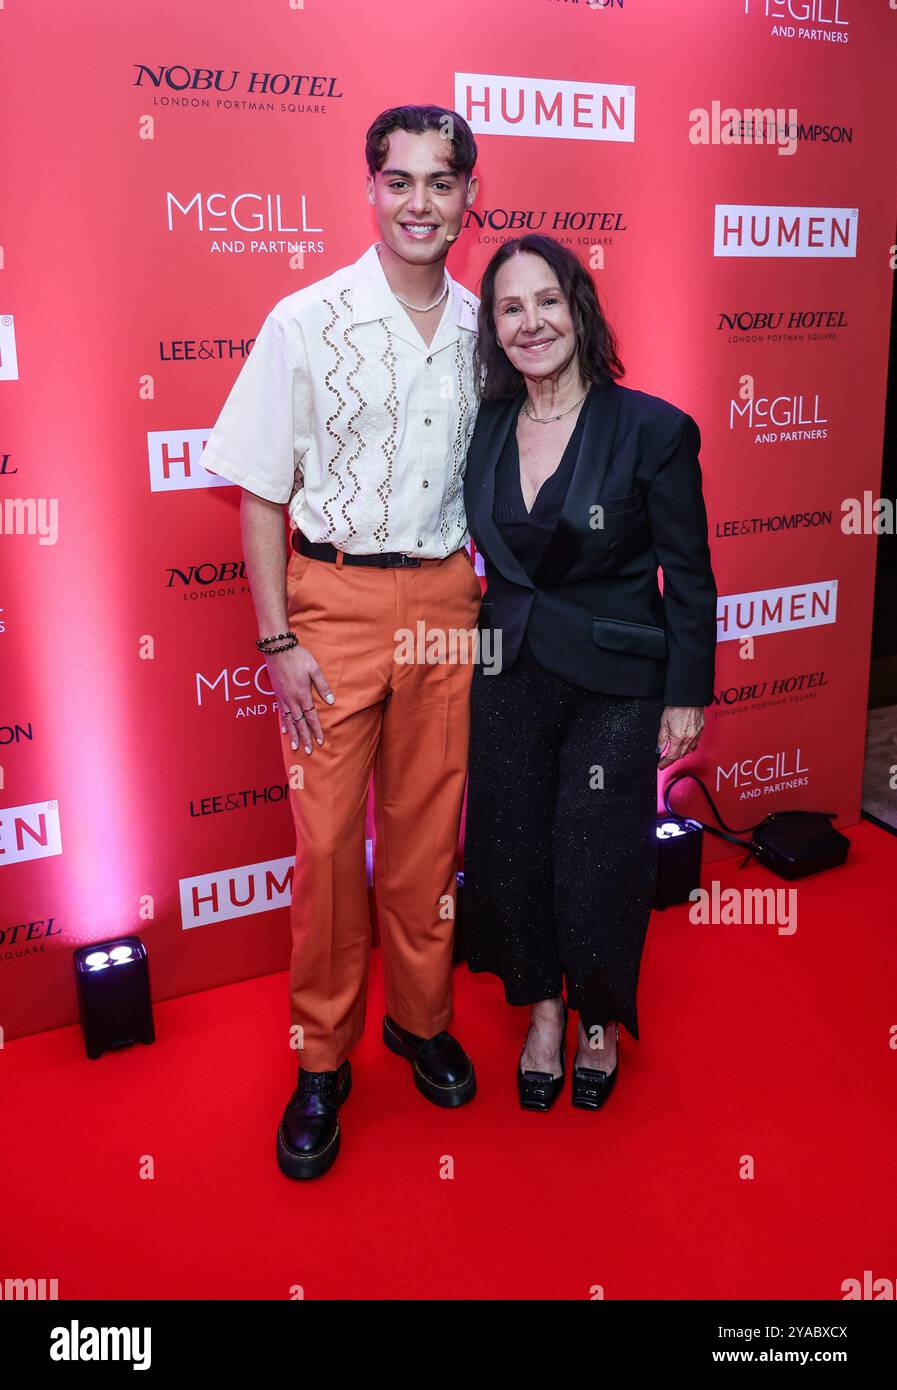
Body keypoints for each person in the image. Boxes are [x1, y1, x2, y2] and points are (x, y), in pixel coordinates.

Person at [201, 105, 484, 1178]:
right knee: (325, 849)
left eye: (441, 182)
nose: (421, 202)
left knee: (427, 838)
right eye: (400, 180)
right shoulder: (304, 319)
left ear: (467, 198)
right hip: (333, 604)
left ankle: (419, 1019)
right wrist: (278, 641)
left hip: (450, 602)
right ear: (369, 188)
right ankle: (322, 1056)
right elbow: (261, 494)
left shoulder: (484, 328)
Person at [461, 234, 717, 1112]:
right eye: (508, 307)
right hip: (505, 673)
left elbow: (687, 574)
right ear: (491, 328)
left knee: (597, 856)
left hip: (617, 679)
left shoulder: (651, 428)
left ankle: (598, 1020)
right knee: (512, 848)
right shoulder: (486, 424)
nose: (529, 322)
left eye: (545, 301)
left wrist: (687, 691)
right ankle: (540, 1010)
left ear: (577, 309)